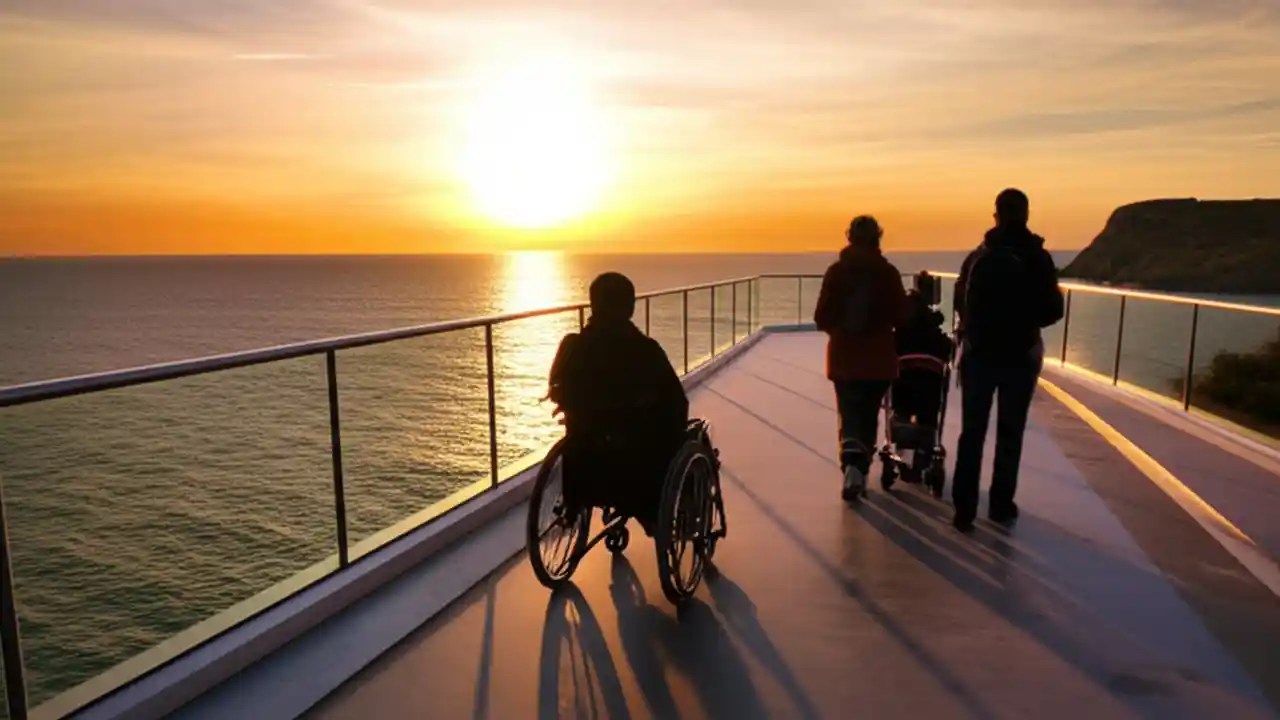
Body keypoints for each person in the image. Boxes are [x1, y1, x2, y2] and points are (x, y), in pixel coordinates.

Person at [951, 189, 1064, 531]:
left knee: (972, 432)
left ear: (995, 215)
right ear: (1026, 215)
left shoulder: (979, 256)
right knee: (1010, 432)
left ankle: (964, 509)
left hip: (979, 355)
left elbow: (960, 302)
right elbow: (1053, 310)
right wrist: (1024, 323)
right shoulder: (1037, 258)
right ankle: (1000, 506)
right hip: (1020, 356)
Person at [547, 272, 689, 533]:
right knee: (685, 434)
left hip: (584, 461)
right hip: (637, 467)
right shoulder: (646, 351)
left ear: (593, 305)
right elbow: (677, 404)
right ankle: (661, 515)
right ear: (631, 308)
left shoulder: (573, 347)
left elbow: (558, 390)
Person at [814, 215, 908, 501]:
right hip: (878, 357)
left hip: (844, 355)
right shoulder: (887, 273)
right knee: (868, 415)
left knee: (849, 413)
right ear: (877, 238)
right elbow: (901, 316)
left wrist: (839, 331)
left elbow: (821, 317)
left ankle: (852, 465)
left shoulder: (837, 272)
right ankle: (860, 466)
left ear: (850, 238)